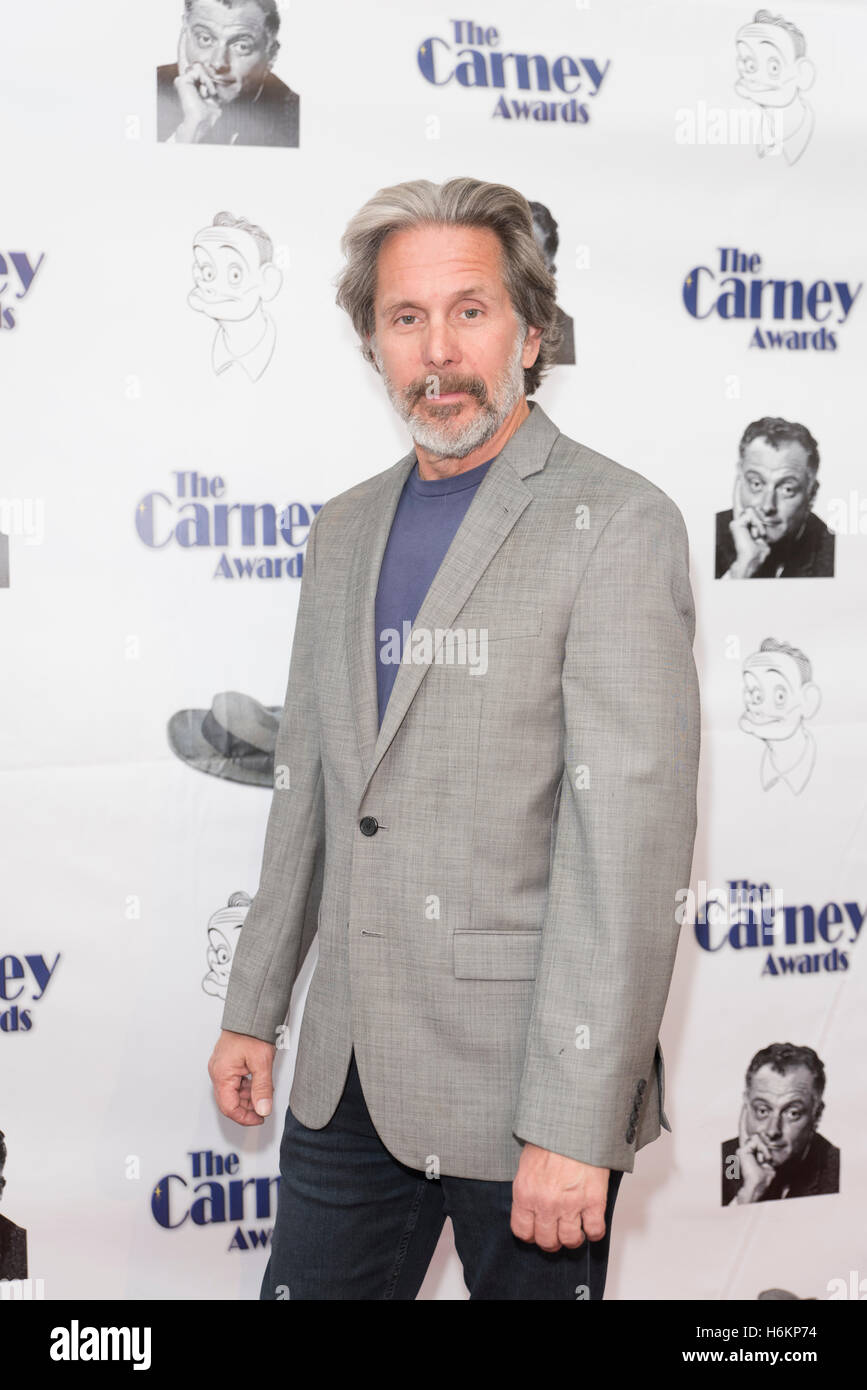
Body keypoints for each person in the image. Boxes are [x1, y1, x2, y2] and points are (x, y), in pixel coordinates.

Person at [208, 177, 701, 1300]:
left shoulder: (618, 525)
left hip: (525, 1094)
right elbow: (314, 792)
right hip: (346, 1080)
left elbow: (625, 853)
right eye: (405, 318)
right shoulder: (341, 531)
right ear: (374, 342)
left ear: (533, 330)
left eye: (470, 312)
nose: (439, 352)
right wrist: (256, 1005)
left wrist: (577, 1123)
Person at [157, 0, 299, 147]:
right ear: (185, 35)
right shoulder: (150, 87)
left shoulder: (298, 121)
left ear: (271, 55)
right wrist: (191, 130)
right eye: (205, 38)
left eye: (242, 46)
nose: (218, 63)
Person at [715, 417, 835, 578]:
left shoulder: (831, 553)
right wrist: (743, 567)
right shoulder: (711, 536)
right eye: (756, 483)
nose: (767, 506)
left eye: (787, 489)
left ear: (811, 494)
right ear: (739, 480)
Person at [722, 1043, 840, 1203]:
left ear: (817, 1115)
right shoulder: (729, 1159)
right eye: (762, 1110)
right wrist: (751, 1191)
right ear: (746, 1106)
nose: (772, 1131)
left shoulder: (838, 1172)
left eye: (792, 1113)